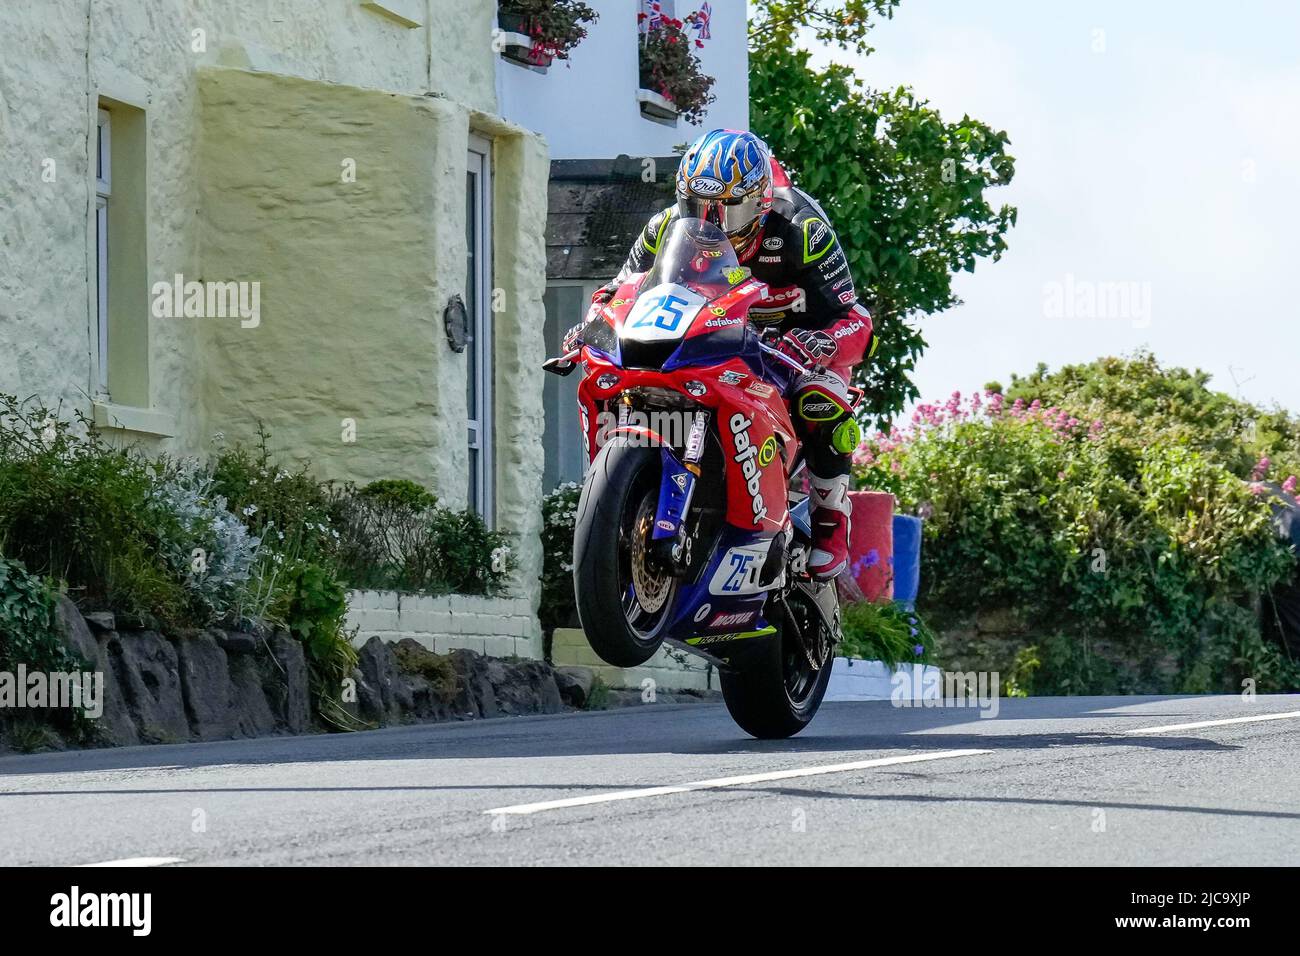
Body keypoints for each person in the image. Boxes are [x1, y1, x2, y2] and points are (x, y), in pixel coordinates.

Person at [573, 129, 873, 579]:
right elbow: (619, 290)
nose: (712, 218)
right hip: (702, 339)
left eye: (728, 208)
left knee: (819, 400)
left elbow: (856, 319)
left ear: (760, 201)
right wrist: (595, 324)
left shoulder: (802, 230)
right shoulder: (663, 226)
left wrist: (822, 342)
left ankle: (831, 514)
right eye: (697, 205)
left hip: (788, 350)